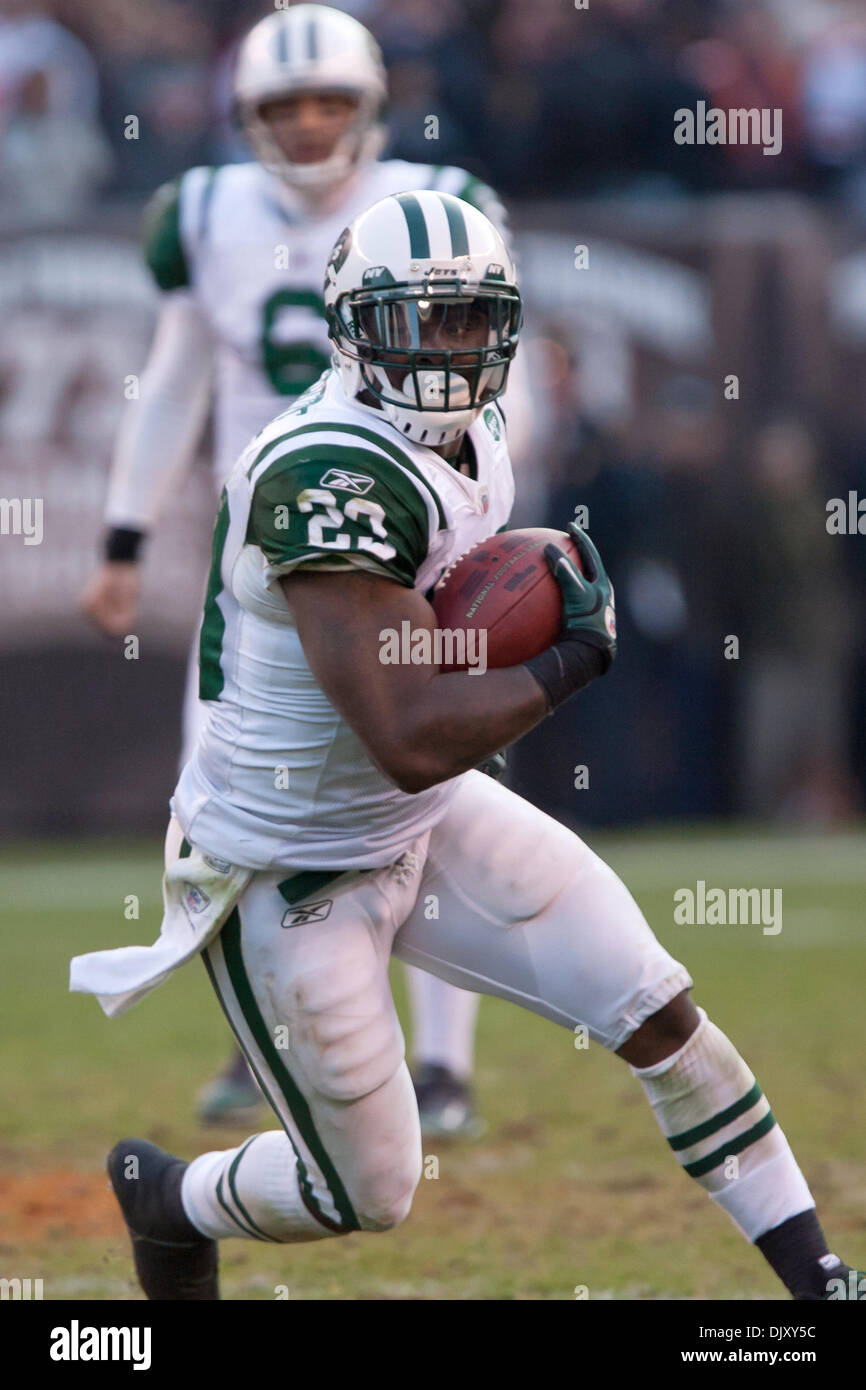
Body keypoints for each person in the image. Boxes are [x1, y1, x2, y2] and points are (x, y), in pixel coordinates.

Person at [72, 190, 863, 1303]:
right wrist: (560, 663)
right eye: (418, 321)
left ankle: (819, 1284)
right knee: (367, 1191)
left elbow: (431, 690)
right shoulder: (325, 474)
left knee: (657, 1009)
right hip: (290, 864)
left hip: (429, 814)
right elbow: (400, 731)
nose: (447, 349)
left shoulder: (481, 427)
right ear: (350, 326)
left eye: (466, 319)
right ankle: (171, 1197)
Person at [81, 4, 525, 1137]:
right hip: (267, 557)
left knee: (436, 783)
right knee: (221, 795)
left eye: (329, 101)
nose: (311, 123)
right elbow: (173, 377)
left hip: (409, 538)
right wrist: (124, 534)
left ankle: (443, 1063)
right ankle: (261, 1043)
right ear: (245, 115)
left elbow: (494, 382)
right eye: (286, 106)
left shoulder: (443, 205)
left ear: (372, 105)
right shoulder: (207, 212)